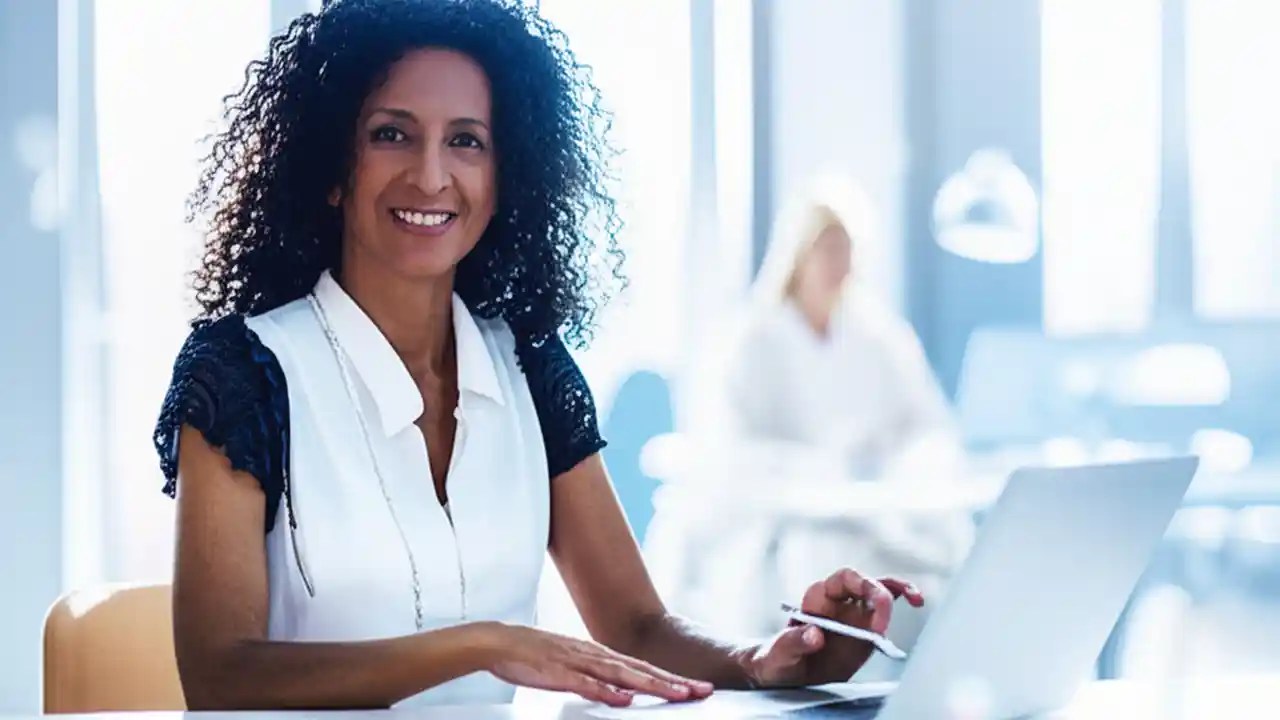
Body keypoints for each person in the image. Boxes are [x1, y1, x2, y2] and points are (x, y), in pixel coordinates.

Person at [152, 0, 922, 710]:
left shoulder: (528, 365)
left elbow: (637, 623)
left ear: (503, 176)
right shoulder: (244, 372)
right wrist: (485, 646)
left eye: (467, 141)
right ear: (330, 170)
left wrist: (767, 660)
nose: (431, 174)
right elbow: (222, 674)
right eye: (391, 134)